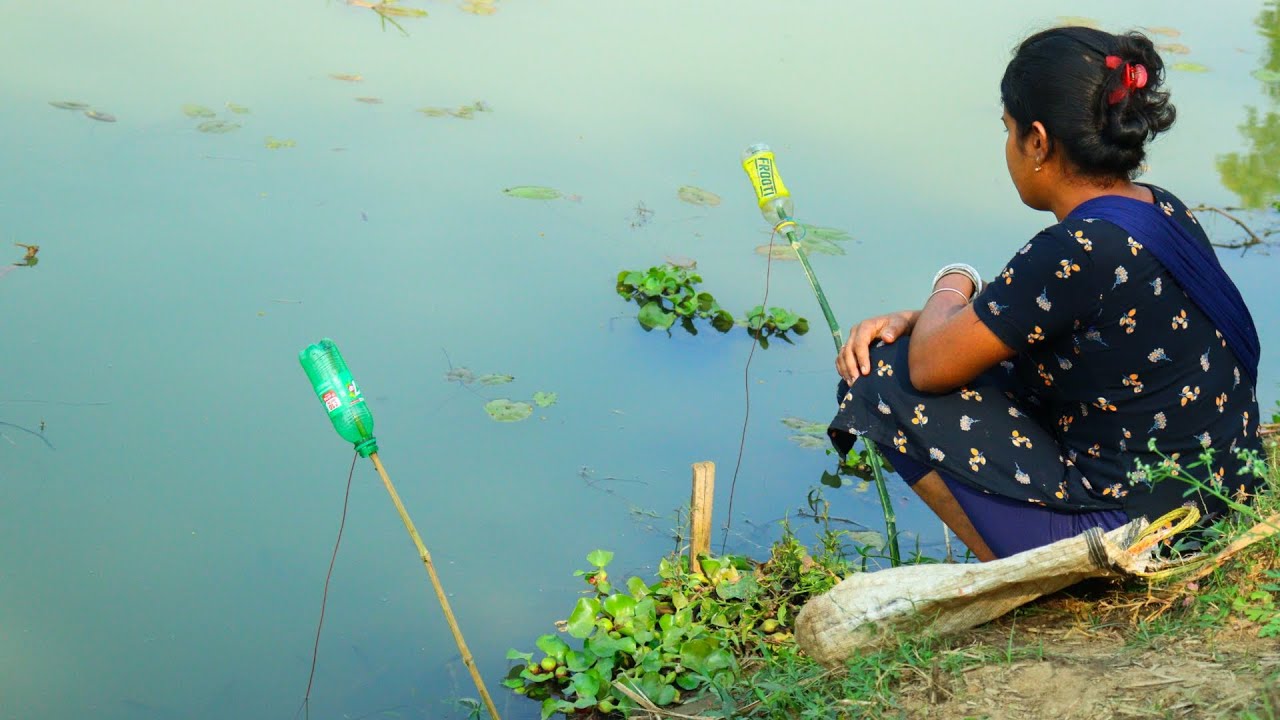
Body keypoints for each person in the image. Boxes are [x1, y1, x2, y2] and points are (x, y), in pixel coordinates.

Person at [827, 26, 1264, 561]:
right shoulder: (1160, 208)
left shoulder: (1076, 248)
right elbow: (1034, 321)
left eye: (1008, 129)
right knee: (991, 357)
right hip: (1225, 494)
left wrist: (954, 281)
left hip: (1143, 536)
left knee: (882, 371)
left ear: (1037, 140)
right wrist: (932, 318)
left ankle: (1031, 576)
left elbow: (928, 369)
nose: (1008, 146)